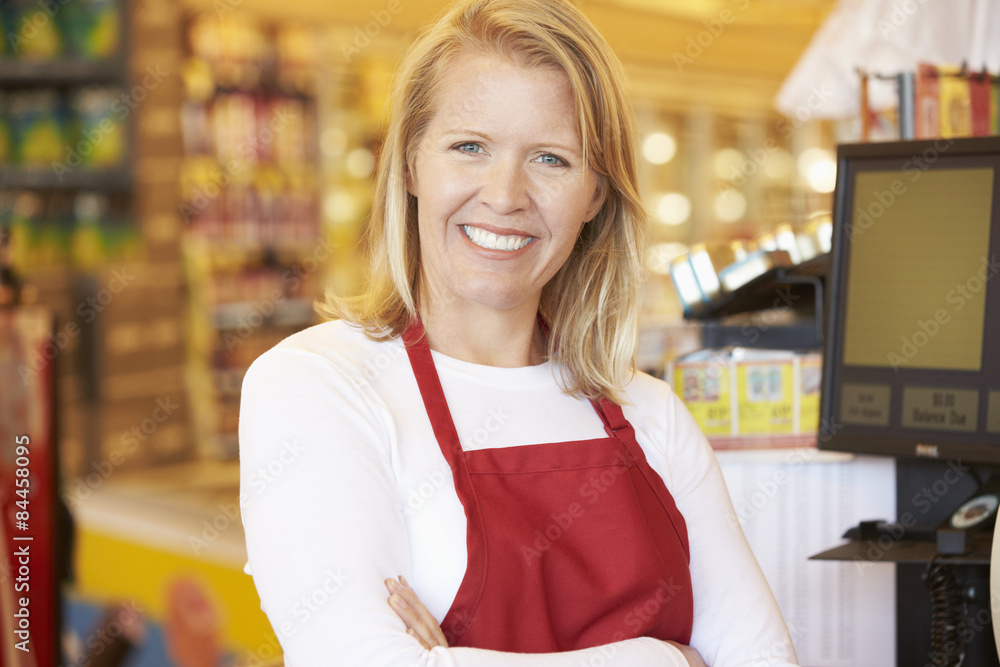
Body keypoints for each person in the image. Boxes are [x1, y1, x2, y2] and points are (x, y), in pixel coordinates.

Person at [238, 0, 799, 665]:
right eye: (469, 147)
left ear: (595, 194)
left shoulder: (649, 413)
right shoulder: (318, 383)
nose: (504, 195)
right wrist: (673, 657)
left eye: (552, 159)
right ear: (412, 163)